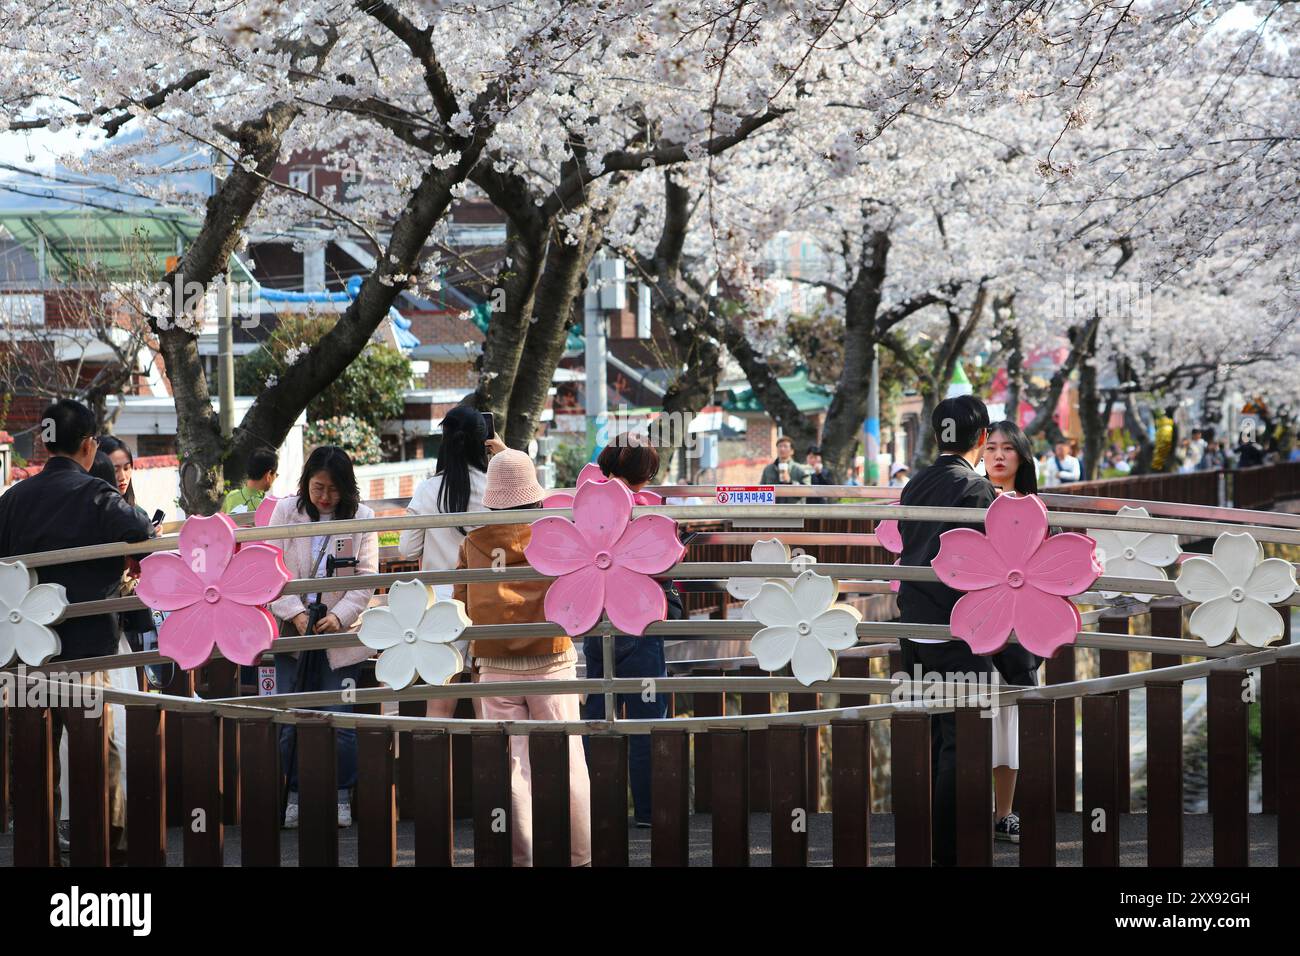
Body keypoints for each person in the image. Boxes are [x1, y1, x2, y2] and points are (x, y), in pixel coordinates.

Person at [0, 399, 153, 861]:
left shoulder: (11, 499)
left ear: (45, 442)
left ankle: (36, 850)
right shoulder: (96, 496)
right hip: (87, 652)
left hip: (26, 657)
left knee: (34, 761)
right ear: (90, 446)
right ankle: (99, 850)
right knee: (96, 758)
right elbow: (141, 531)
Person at [896, 395, 1036, 866]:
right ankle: (953, 848)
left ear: (939, 435)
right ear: (980, 438)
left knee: (939, 735)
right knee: (961, 738)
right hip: (957, 627)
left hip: (914, 624)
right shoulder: (976, 491)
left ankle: (940, 843)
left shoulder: (916, 483)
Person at [455, 448, 591, 866]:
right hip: (552, 658)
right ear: (534, 494)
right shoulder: (555, 535)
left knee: (512, 768)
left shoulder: (473, 542)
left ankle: (521, 857)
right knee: (568, 762)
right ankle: (579, 855)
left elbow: (460, 603)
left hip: (494, 663)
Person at [267, 446, 379, 829]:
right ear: (306, 483)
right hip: (293, 634)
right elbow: (270, 571)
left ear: (346, 488)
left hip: (341, 638)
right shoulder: (286, 511)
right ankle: (295, 794)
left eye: (333, 489)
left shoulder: (363, 518)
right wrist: (296, 613)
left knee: (342, 724)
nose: (325, 497)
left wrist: (339, 616)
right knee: (289, 724)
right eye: (318, 488)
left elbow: (365, 581)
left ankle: (342, 795)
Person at [580, 441, 684, 828]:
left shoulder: (586, 505)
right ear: (645, 475)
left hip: (596, 621)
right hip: (638, 621)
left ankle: (591, 808)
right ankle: (647, 811)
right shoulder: (642, 509)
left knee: (596, 718)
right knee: (645, 721)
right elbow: (665, 557)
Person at [398, 405, 504, 716]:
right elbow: (529, 500)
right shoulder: (494, 488)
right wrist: (504, 454)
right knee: (484, 699)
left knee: (440, 703)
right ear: (482, 441)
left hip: (439, 607)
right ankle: (494, 764)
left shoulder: (428, 490)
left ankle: (438, 764)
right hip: (487, 602)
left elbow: (406, 549)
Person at [979, 421, 1047, 844]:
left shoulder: (1034, 505)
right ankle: (974, 808)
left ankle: (1004, 812)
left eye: (1007, 448)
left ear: (1022, 456)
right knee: (974, 719)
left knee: (1009, 724)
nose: (998, 456)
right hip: (976, 623)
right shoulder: (969, 499)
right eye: (991, 449)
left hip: (1019, 629)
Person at [223, 447, 278, 515]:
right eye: (276, 474)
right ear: (268, 475)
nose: (275, 478)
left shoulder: (231, 496)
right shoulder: (265, 507)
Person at [760, 436, 812, 503]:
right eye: (779, 446)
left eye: (785, 446)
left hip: (794, 510)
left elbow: (807, 491)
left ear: (792, 451)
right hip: (773, 510)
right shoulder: (768, 469)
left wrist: (790, 482)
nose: (782, 449)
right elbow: (761, 490)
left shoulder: (801, 470)